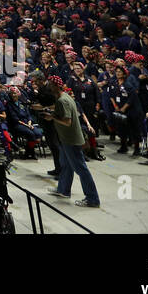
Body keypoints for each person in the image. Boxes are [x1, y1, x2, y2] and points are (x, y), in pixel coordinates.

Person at [43, 80, 99, 208]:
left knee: (81, 169)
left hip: (70, 140)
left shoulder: (62, 101)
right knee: (66, 165)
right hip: (65, 139)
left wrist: (52, 117)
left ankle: (92, 198)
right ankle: (63, 190)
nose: (49, 88)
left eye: (50, 86)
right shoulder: (65, 96)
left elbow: (67, 121)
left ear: (56, 86)